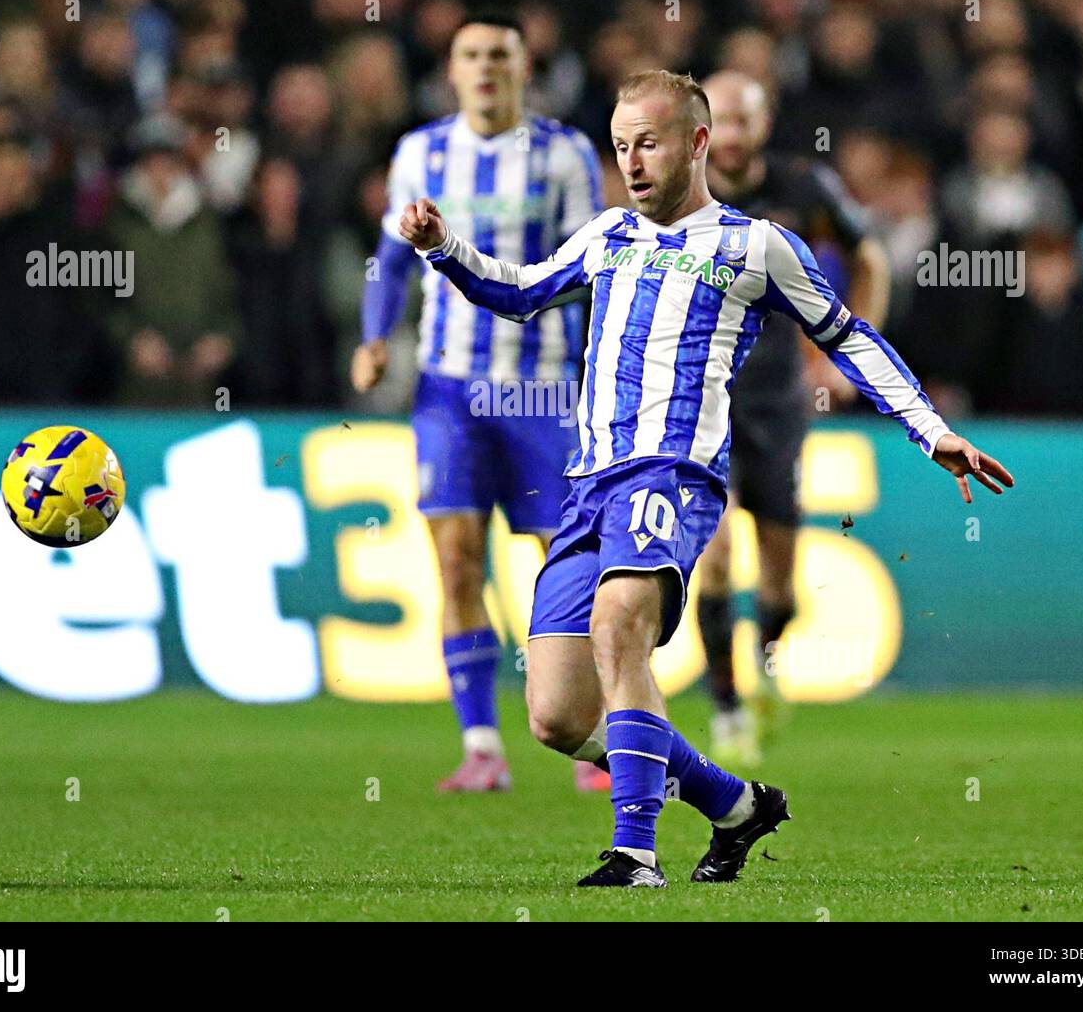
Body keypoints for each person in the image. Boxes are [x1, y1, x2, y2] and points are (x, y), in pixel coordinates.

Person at [399, 69, 1013, 887]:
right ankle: (734, 805)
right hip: (589, 487)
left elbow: (848, 333)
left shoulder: (755, 246)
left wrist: (929, 430)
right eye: (620, 147)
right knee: (557, 717)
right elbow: (517, 294)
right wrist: (445, 248)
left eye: (647, 143)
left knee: (620, 624)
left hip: (676, 475)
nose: (632, 162)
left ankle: (635, 853)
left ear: (695, 143)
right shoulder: (608, 234)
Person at [351, 13, 605, 792]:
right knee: (456, 558)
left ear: (525, 68)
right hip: (450, 389)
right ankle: (483, 747)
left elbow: (592, 264)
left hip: (544, 388)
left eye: (501, 54)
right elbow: (391, 262)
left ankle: (590, 737)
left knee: (559, 563)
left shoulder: (565, 153)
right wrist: (374, 336)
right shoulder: (419, 153)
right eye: (471, 55)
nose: (487, 67)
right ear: (451, 72)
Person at [692, 71, 892, 766]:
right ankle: (724, 709)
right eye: (723, 120)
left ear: (765, 124)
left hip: (777, 394)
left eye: (746, 119)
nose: (735, 135)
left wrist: (843, 358)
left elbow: (869, 257)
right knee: (711, 559)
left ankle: (769, 659)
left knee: (778, 579)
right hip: (700, 395)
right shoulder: (676, 189)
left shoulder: (804, 188)